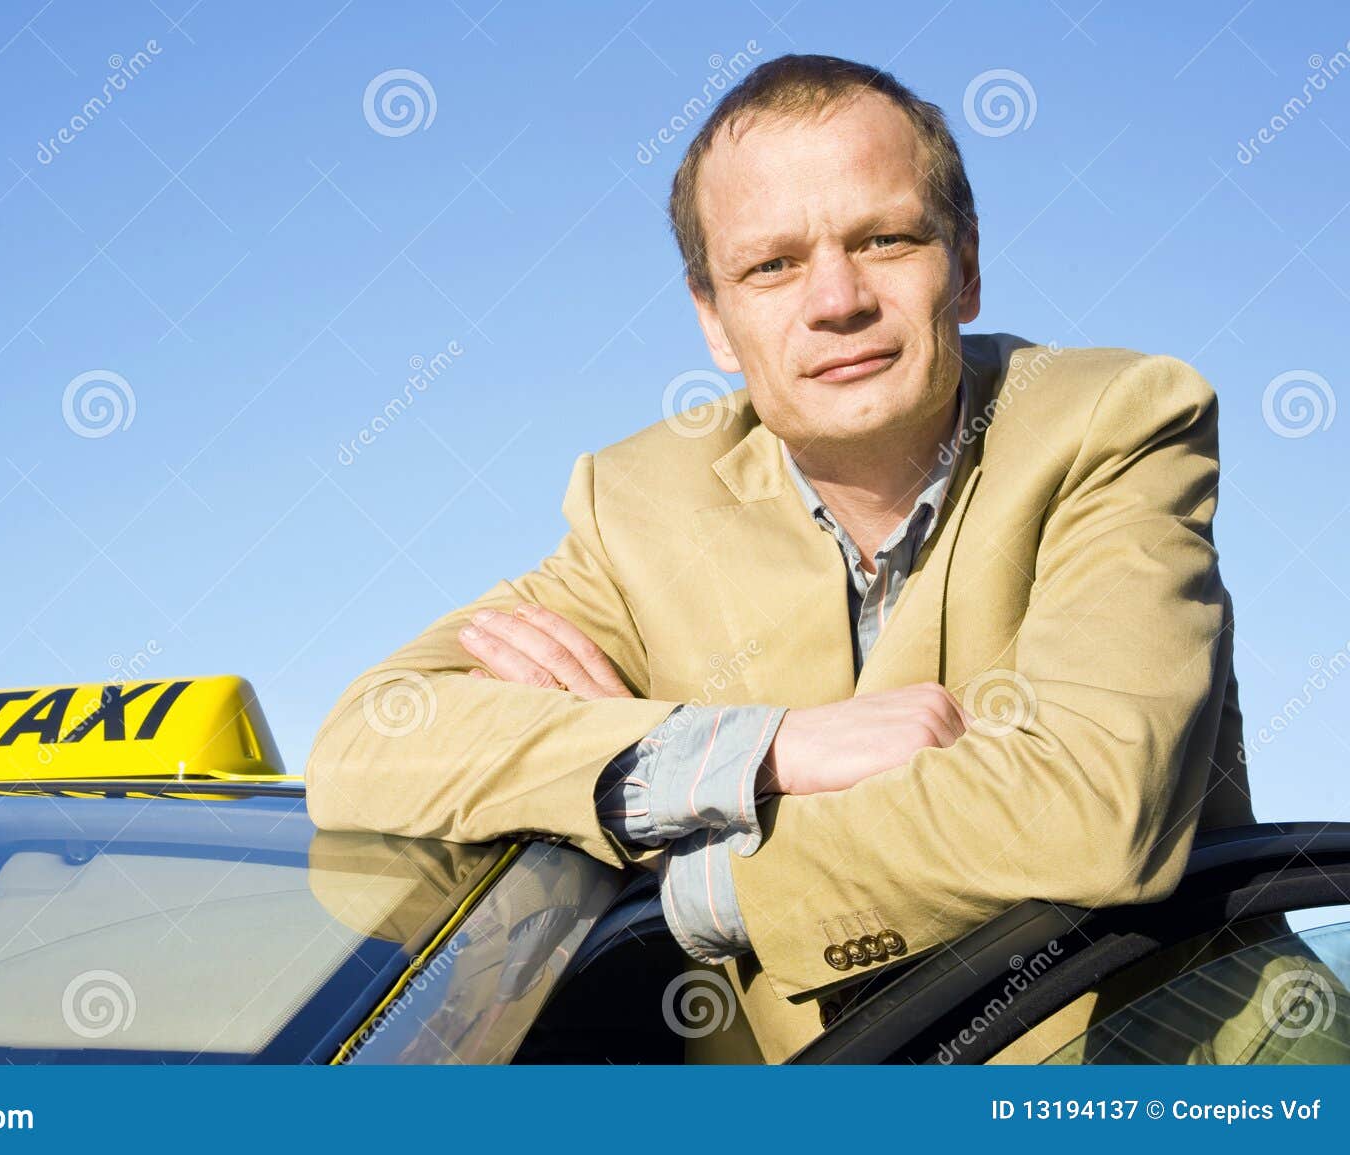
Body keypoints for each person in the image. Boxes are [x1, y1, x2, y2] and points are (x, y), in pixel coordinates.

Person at [305, 54, 1261, 1063]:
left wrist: (679, 882)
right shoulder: (641, 503)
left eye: (884, 240)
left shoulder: (1112, 423)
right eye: (771, 265)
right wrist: (759, 751)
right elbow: (369, 740)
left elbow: (1089, 809)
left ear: (966, 266)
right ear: (713, 319)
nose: (837, 300)